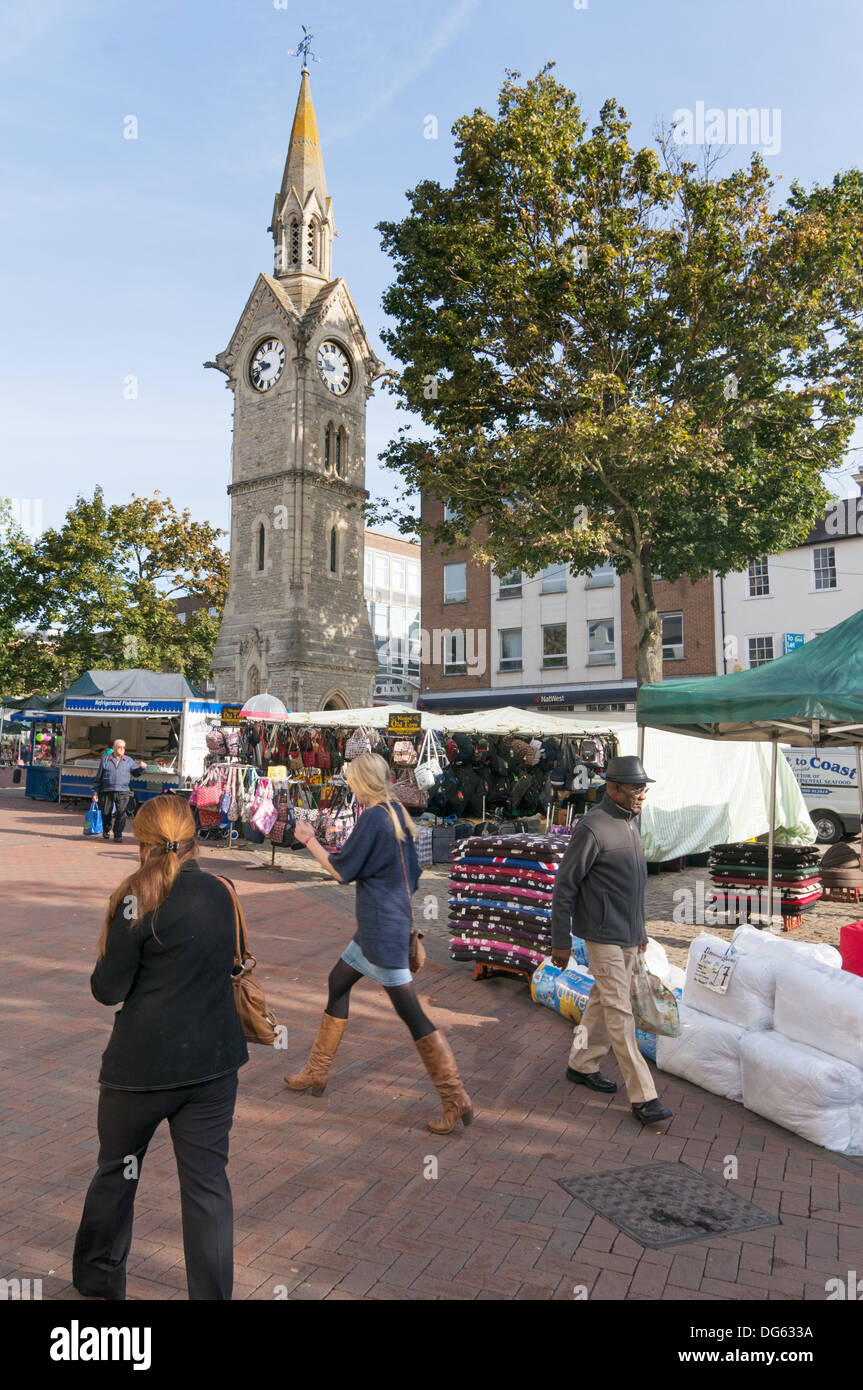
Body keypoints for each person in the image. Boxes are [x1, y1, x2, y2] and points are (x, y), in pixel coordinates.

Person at [72, 795, 248, 1300]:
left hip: (140, 1070)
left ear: (141, 844)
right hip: (212, 1065)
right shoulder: (221, 891)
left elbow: (108, 990)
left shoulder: (134, 897)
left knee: (117, 1173)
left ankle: (100, 1283)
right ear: (193, 837)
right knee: (207, 1186)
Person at [285, 752, 473, 1134]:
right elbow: (414, 874)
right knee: (338, 981)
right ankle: (316, 1072)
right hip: (384, 925)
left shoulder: (373, 817)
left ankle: (456, 1098)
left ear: (362, 783)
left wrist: (308, 839)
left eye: (352, 781)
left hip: (381, 932)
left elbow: (341, 870)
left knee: (412, 1014)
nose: (350, 788)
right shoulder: (395, 811)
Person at [550, 754, 672, 1125]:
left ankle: (581, 1063)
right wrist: (560, 941)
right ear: (614, 788)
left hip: (627, 934)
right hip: (601, 935)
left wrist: (641, 933)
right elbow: (564, 887)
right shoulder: (593, 827)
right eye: (636, 789)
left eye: (643, 789)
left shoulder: (630, 823)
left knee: (603, 1003)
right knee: (620, 1013)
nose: (641, 795)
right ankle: (644, 1096)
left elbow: (632, 887)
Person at [91, 738, 147, 842]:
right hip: (106, 790)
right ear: (113, 748)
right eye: (119, 747)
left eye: (123, 747)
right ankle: (106, 830)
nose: (121, 749)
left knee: (121, 813)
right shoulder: (105, 759)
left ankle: (118, 834)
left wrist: (142, 769)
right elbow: (98, 778)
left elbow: (135, 773)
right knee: (106, 812)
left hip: (123, 791)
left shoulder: (128, 760)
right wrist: (95, 793)